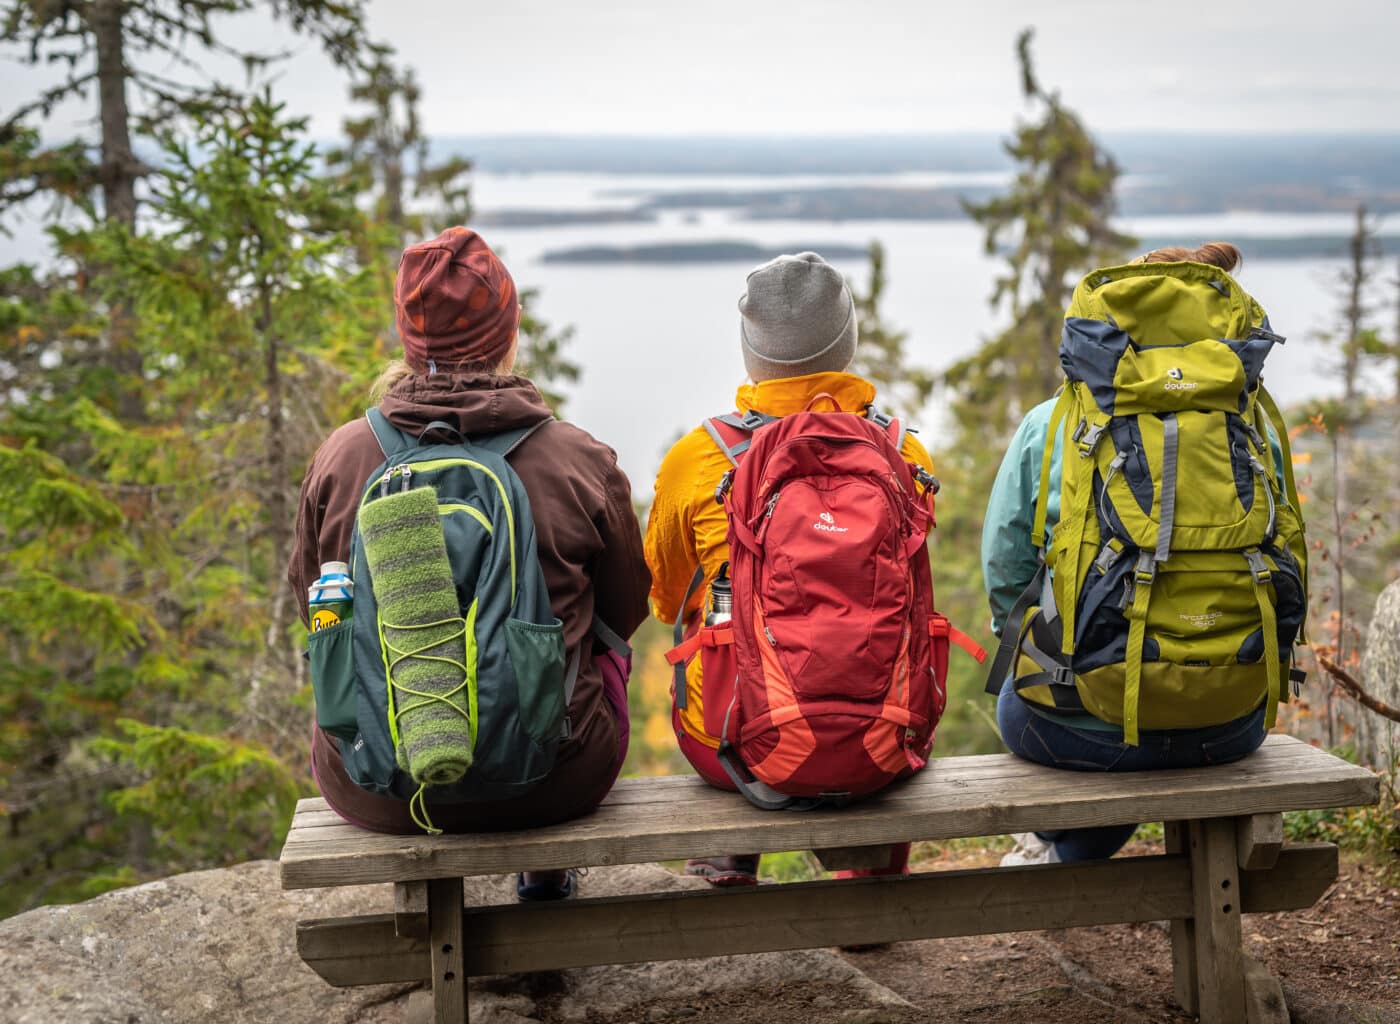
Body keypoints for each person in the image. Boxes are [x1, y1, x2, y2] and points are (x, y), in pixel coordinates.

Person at [289, 226, 649, 899]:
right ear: (507, 334)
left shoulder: (341, 458)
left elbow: (313, 614)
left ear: (406, 336)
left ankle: (419, 849)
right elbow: (627, 611)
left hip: (375, 788)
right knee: (603, 655)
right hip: (553, 782)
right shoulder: (576, 460)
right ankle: (544, 873)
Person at [983, 242, 1300, 866]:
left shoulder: (1051, 423)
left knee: (1025, 702)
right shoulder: (1253, 427)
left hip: (1080, 725)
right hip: (1231, 720)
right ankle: (1065, 856)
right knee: (1143, 742)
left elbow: (1006, 567)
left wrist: (1025, 638)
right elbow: (1287, 544)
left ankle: (1062, 855)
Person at [646, 251, 934, 886]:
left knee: (712, 652)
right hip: (880, 741)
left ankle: (729, 860)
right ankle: (867, 878)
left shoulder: (699, 459)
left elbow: (664, 600)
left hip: (733, 743)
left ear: (753, 351)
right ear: (847, 343)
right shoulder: (902, 452)